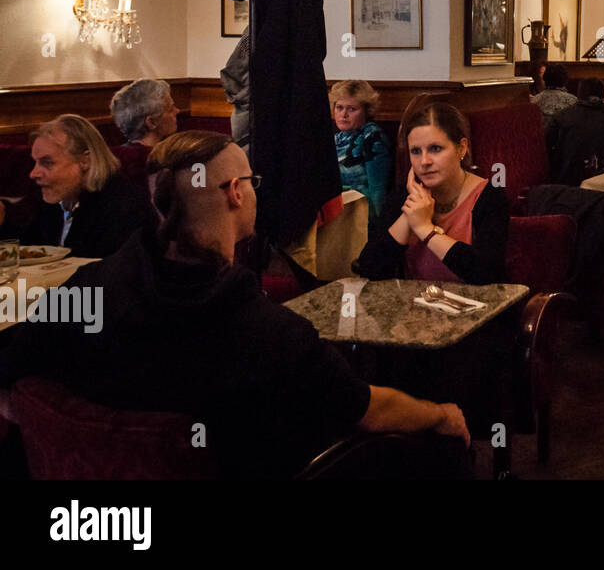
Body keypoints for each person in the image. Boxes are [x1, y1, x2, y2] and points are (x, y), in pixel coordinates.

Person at [0, 130, 472, 480]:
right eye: (252, 180)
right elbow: (367, 410)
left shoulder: (89, 288)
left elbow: (12, 365)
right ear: (236, 192)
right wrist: (441, 414)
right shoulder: (265, 331)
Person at [355, 102, 508, 284]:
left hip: (474, 309)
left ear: (461, 148)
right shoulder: (403, 197)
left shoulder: (490, 198)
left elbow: (486, 274)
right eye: (416, 151)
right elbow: (368, 269)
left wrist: (424, 229)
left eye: (435, 149)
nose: (424, 161)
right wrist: (409, 215)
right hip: (413, 307)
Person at [0, 115, 155, 259]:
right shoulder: (59, 199)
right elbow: (31, 250)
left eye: (47, 163)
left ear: (84, 161)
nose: (33, 174)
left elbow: (104, 277)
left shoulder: (120, 208)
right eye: (35, 162)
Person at [330, 79, 394, 225]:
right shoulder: (336, 138)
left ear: (367, 111)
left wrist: (380, 228)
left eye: (351, 109)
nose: (343, 114)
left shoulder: (372, 137)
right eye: (339, 107)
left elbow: (378, 188)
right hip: (335, 210)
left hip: (358, 215)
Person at [109, 79, 179, 147]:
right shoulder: (156, 157)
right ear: (152, 122)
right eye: (170, 109)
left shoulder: (118, 154)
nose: (177, 111)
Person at [531, 64, 577, 132]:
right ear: (565, 80)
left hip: (540, 140)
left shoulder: (534, 100)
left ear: (545, 78)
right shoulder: (573, 102)